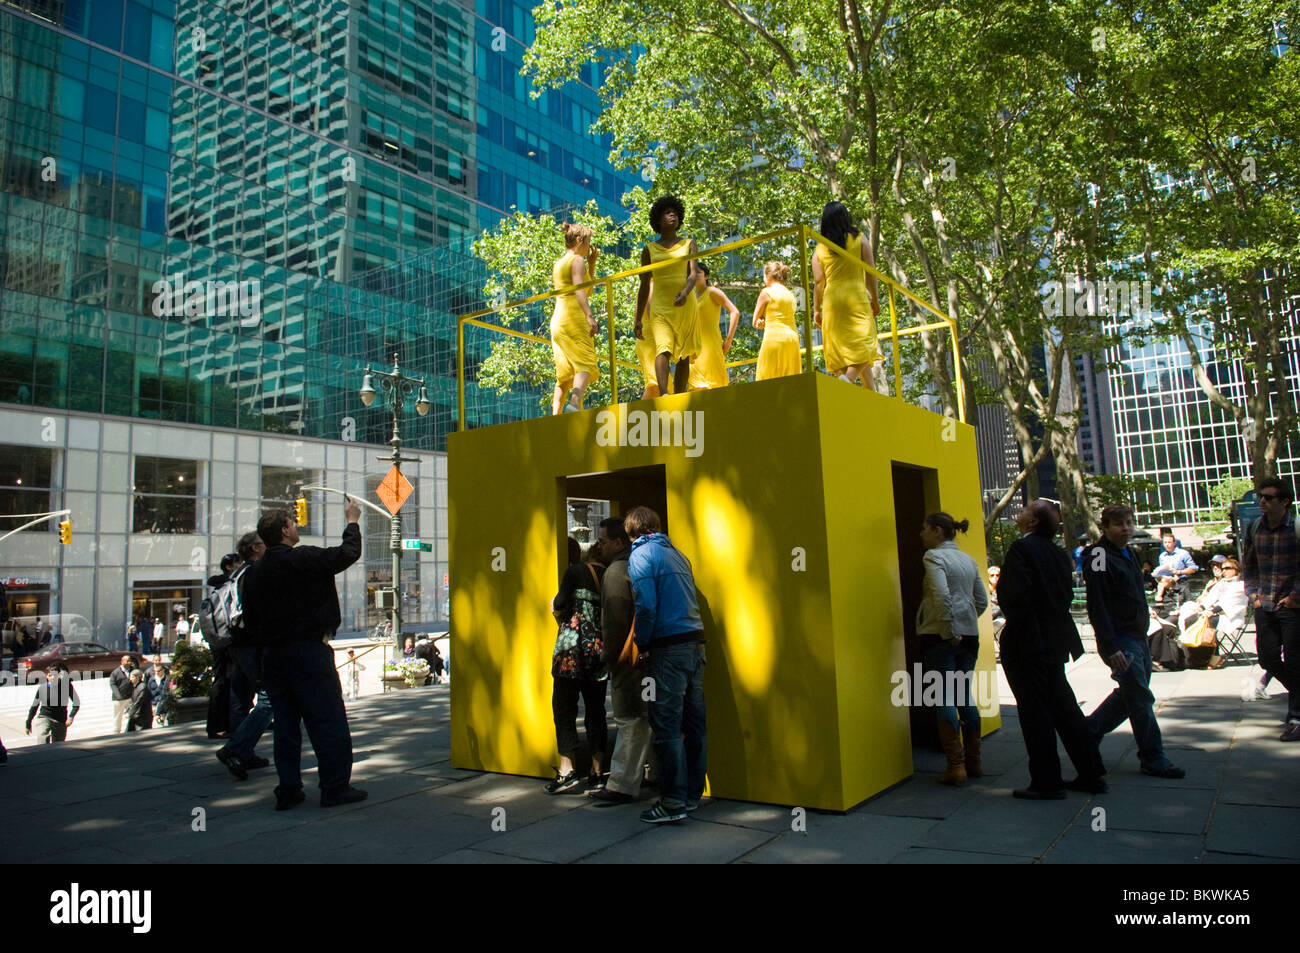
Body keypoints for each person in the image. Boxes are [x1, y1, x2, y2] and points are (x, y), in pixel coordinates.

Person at [241, 497, 365, 809]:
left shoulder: (254, 573)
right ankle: (334, 786)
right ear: (284, 531)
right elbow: (347, 554)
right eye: (293, 524)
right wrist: (352, 521)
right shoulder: (303, 558)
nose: (297, 527)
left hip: (273, 655)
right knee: (327, 720)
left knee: (285, 726)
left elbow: (250, 619)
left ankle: (288, 789)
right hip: (308, 651)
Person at [997, 500, 1106, 798]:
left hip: (1028, 643)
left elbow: (1013, 596)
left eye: (1026, 511)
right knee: (1065, 708)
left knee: (1035, 713)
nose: (1019, 513)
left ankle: (1047, 781)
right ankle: (1091, 772)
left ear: (1032, 522)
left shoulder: (1021, 550)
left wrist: (1020, 631)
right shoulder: (1059, 554)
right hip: (1056, 640)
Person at [1083, 503, 1185, 778]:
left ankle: (1088, 732)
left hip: (1137, 635)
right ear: (1105, 527)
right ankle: (1154, 758)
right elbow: (1098, 603)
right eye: (1119, 524)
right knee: (1140, 697)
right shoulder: (1100, 554)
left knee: (1129, 695)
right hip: (1120, 638)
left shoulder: (1130, 553)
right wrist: (1109, 644)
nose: (1126, 528)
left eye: (1129, 522)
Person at [626, 506, 706, 823]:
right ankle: (690, 796)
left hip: (667, 648)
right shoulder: (678, 555)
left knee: (666, 725)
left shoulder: (641, 556)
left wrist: (642, 642)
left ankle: (672, 802)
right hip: (694, 644)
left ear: (631, 532)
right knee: (695, 724)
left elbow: (645, 604)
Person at [916, 511, 989, 785]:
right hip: (969, 636)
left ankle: (955, 766)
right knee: (964, 695)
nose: (921, 534)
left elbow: (941, 594)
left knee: (943, 697)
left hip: (941, 635)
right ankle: (975, 762)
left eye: (924, 528)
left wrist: (948, 630)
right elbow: (981, 600)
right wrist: (966, 622)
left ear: (937, 530)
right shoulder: (967, 560)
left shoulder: (933, 557)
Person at [588, 517, 654, 805]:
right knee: (649, 717)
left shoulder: (616, 571)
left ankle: (621, 784)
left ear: (618, 541)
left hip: (629, 658)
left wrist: (608, 656)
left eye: (602, 540)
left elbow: (614, 620)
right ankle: (653, 773)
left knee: (629, 718)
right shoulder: (644, 562)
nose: (597, 545)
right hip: (653, 652)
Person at [544, 537, 608, 794]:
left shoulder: (575, 571)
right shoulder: (611, 574)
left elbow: (559, 603)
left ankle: (567, 770)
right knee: (596, 712)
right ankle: (597, 771)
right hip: (597, 650)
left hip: (571, 650)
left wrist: (554, 605)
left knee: (563, 708)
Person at [1242, 477, 1300, 741]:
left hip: (1292, 605)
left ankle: (1296, 717)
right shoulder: (1255, 528)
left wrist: (1294, 597)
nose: (1262, 501)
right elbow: (1250, 564)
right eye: (1260, 497)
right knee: (1267, 658)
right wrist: (1252, 593)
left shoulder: (1296, 527)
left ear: (1284, 502)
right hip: (1263, 603)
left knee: (1296, 662)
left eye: (1268, 497)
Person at [812, 201, 882, 388]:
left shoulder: (820, 248)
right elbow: (870, 271)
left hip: (832, 301)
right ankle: (847, 380)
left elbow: (819, 282)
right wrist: (875, 299)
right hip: (855, 296)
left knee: (842, 353)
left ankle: (867, 399)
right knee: (865, 344)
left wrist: (816, 310)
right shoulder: (859, 238)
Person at [635, 195, 699, 397]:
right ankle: (664, 395)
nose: (672, 214)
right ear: (658, 220)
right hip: (660, 307)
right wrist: (638, 319)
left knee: (683, 355)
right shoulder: (649, 249)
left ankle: (680, 396)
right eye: (667, 212)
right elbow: (644, 285)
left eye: (675, 212)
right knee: (663, 348)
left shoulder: (689, 243)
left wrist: (686, 292)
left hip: (685, 304)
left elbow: (693, 273)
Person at [550, 222, 601, 414]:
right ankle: (574, 404)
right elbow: (581, 291)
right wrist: (589, 316)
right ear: (580, 240)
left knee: (564, 373)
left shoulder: (560, 263)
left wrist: (592, 265)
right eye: (588, 242)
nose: (590, 247)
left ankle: (556, 413)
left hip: (558, 320)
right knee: (585, 363)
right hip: (574, 318)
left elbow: (587, 289)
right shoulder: (577, 261)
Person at [1180, 556, 1247, 670]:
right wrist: (1200, 607)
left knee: (1204, 623)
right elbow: (1211, 597)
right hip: (1216, 613)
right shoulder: (1222, 582)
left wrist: (1212, 611)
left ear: (1236, 569)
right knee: (1189, 619)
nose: (1224, 571)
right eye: (1223, 568)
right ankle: (1194, 658)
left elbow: (1230, 603)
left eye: (1227, 568)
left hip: (1231, 616)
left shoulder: (1240, 585)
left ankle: (1206, 659)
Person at [205, 551, 243, 740]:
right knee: (224, 680)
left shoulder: (218, 586)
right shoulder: (230, 585)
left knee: (224, 679)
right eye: (238, 562)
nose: (241, 564)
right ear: (228, 567)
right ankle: (219, 725)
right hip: (227, 638)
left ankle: (223, 724)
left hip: (218, 638)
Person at [687, 262, 741, 391]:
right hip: (695, 352)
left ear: (706, 276)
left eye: (698, 273)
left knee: (714, 386)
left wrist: (728, 340)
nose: (694, 276)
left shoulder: (712, 292)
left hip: (712, 349)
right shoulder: (690, 297)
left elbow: (735, 312)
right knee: (696, 393)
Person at [753, 261, 801, 381]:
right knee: (790, 379)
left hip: (774, 339)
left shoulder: (766, 292)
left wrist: (760, 322)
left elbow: (755, 321)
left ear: (768, 275)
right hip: (792, 339)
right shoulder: (790, 295)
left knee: (767, 379)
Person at [26, 662, 79, 743]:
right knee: (42, 740)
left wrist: (71, 717)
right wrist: (28, 722)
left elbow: (76, 702)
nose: (52, 678)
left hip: (60, 720)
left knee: (58, 746)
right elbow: (34, 706)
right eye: (50, 675)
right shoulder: (43, 687)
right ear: (47, 676)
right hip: (44, 717)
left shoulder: (66, 686)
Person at [1153, 533, 1197, 611]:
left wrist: (1179, 572)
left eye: (1169, 542)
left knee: (1186, 607)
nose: (1167, 544)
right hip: (1169, 585)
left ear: (1174, 543)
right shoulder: (1162, 556)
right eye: (1165, 542)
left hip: (1182, 583)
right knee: (1169, 608)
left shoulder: (1183, 553)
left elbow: (1193, 568)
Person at [110, 655, 136, 734]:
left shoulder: (133, 671)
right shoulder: (116, 672)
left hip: (130, 698)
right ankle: (116, 732)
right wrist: (118, 696)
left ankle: (131, 729)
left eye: (130, 661)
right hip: (119, 700)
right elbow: (112, 684)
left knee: (132, 714)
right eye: (127, 661)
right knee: (118, 716)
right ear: (122, 662)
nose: (129, 662)